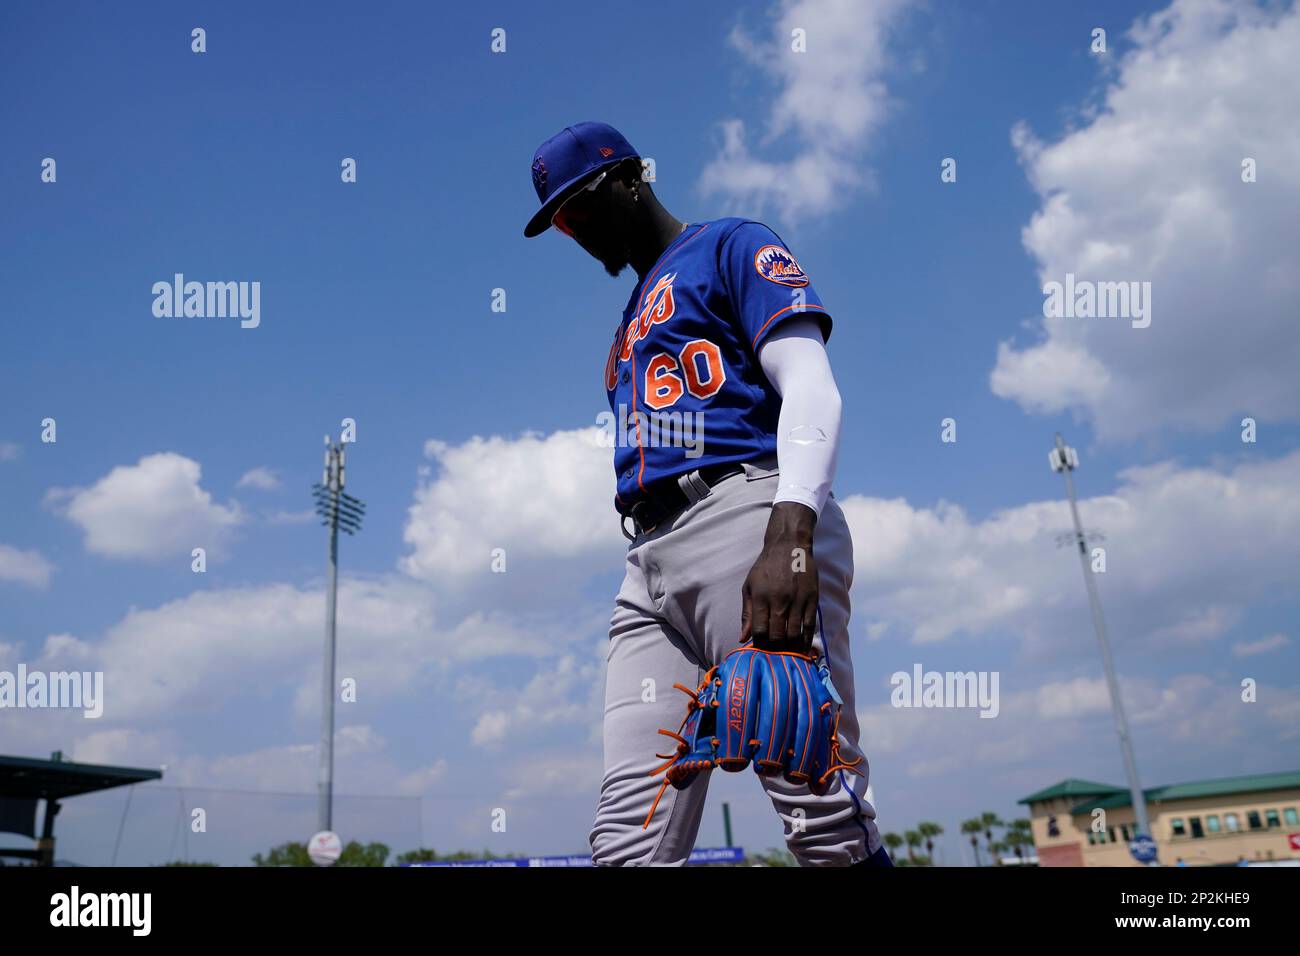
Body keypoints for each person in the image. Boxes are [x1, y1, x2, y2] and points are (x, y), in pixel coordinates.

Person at [524, 121, 890, 867]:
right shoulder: (627, 325)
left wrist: (790, 535)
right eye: (562, 222)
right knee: (628, 840)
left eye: (582, 205)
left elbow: (811, 386)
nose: (578, 229)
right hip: (647, 560)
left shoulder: (729, 243)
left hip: (748, 517)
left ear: (630, 177)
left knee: (814, 796)